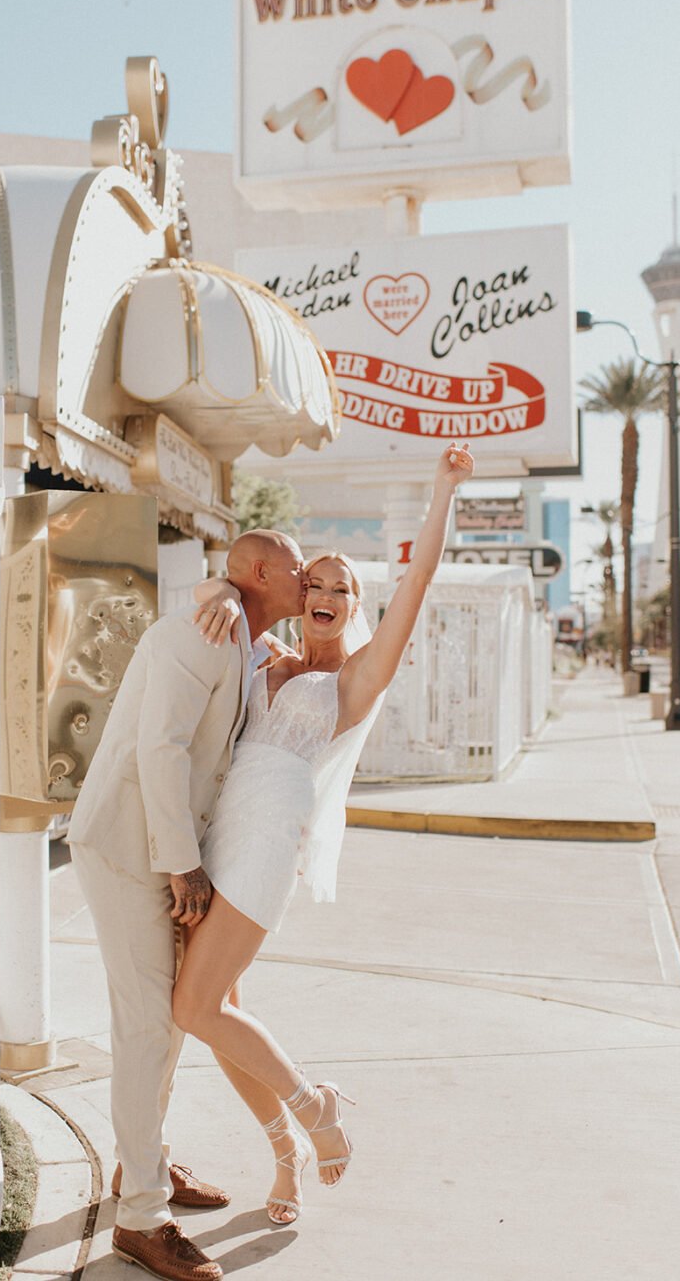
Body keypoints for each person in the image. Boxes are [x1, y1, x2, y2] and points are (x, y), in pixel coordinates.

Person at [174, 442, 474, 1227]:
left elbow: (418, 580)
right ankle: (285, 1158)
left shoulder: (354, 680)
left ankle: (315, 1110)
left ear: (353, 604)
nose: (325, 593)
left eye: (341, 587)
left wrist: (442, 491)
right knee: (220, 1015)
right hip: (214, 838)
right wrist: (215, 583)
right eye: (315, 582)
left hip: (268, 842)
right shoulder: (265, 658)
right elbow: (221, 589)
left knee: (194, 1007)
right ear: (298, 592)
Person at [66, 527, 308, 1281]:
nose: (306, 582)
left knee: (166, 1025)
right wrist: (183, 868)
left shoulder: (240, 635)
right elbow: (160, 746)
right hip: (129, 847)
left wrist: (222, 592)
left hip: (169, 855)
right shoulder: (199, 631)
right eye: (299, 570)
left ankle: (143, 1167)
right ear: (262, 572)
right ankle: (140, 1219)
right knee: (147, 1028)